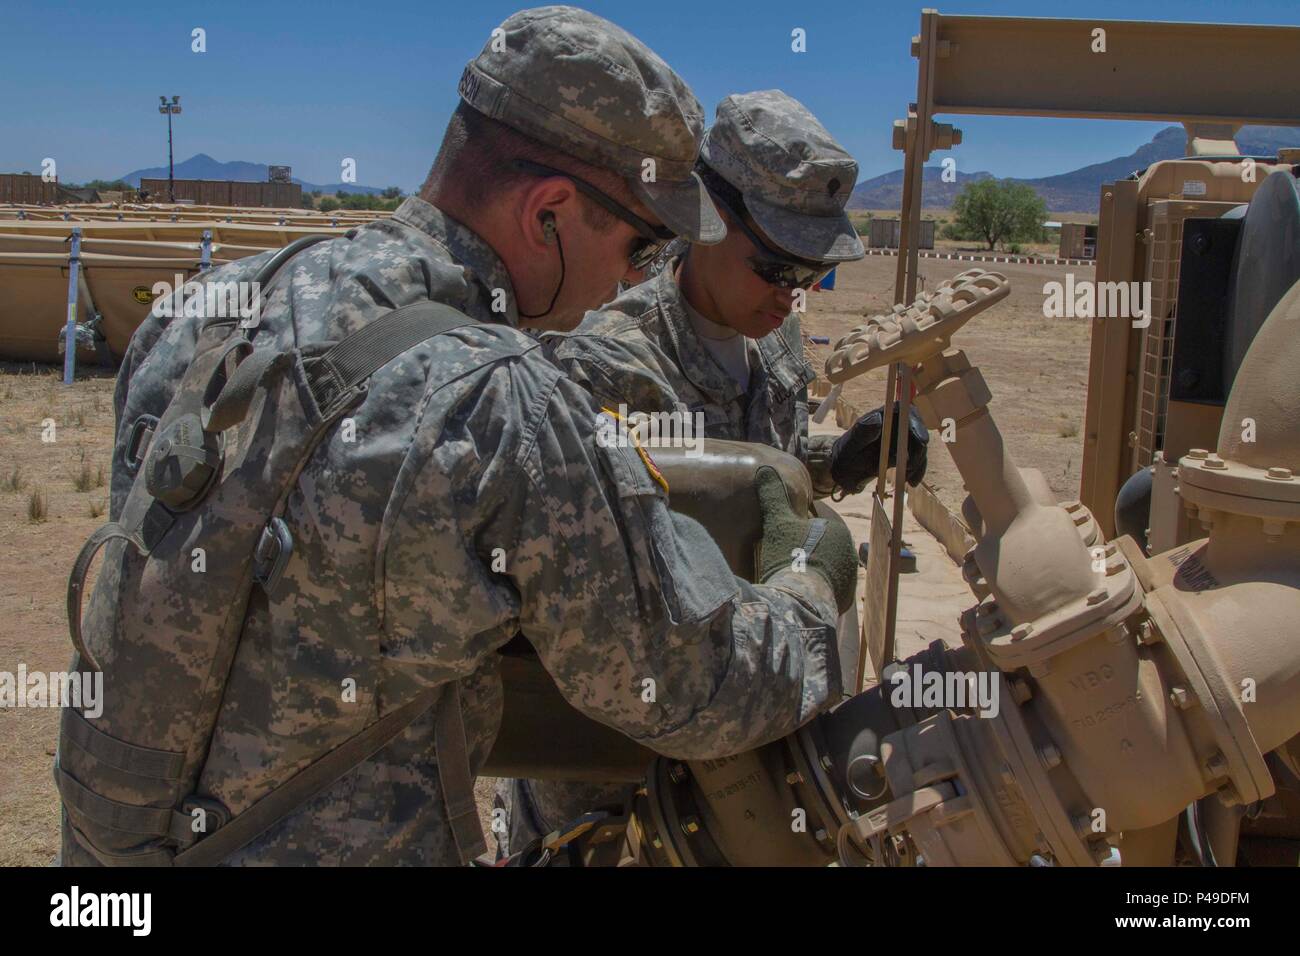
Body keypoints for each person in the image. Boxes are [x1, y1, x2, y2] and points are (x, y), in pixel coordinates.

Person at [59, 7, 855, 867]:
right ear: (548, 212)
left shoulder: (206, 314)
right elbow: (690, 685)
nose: (635, 279)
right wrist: (808, 591)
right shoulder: (498, 402)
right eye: (642, 245)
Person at [495, 90, 928, 859]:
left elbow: (750, 485)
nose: (790, 295)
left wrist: (834, 464)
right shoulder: (609, 363)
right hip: (618, 776)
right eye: (774, 267)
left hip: (747, 744)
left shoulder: (775, 343)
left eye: (811, 273)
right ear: (704, 221)